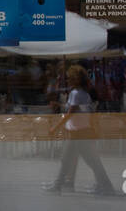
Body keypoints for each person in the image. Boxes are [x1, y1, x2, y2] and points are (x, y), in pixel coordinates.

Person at [46, 64, 117, 195]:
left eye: (69, 78)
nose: (67, 80)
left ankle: (106, 187)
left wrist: (55, 128)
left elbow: (70, 113)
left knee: (82, 161)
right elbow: (76, 109)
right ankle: (105, 186)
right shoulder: (84, 94)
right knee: (85, 161)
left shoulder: (75, 93)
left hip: (77, 133)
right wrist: (59, 105)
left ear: (76, 79)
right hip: (83, 131)